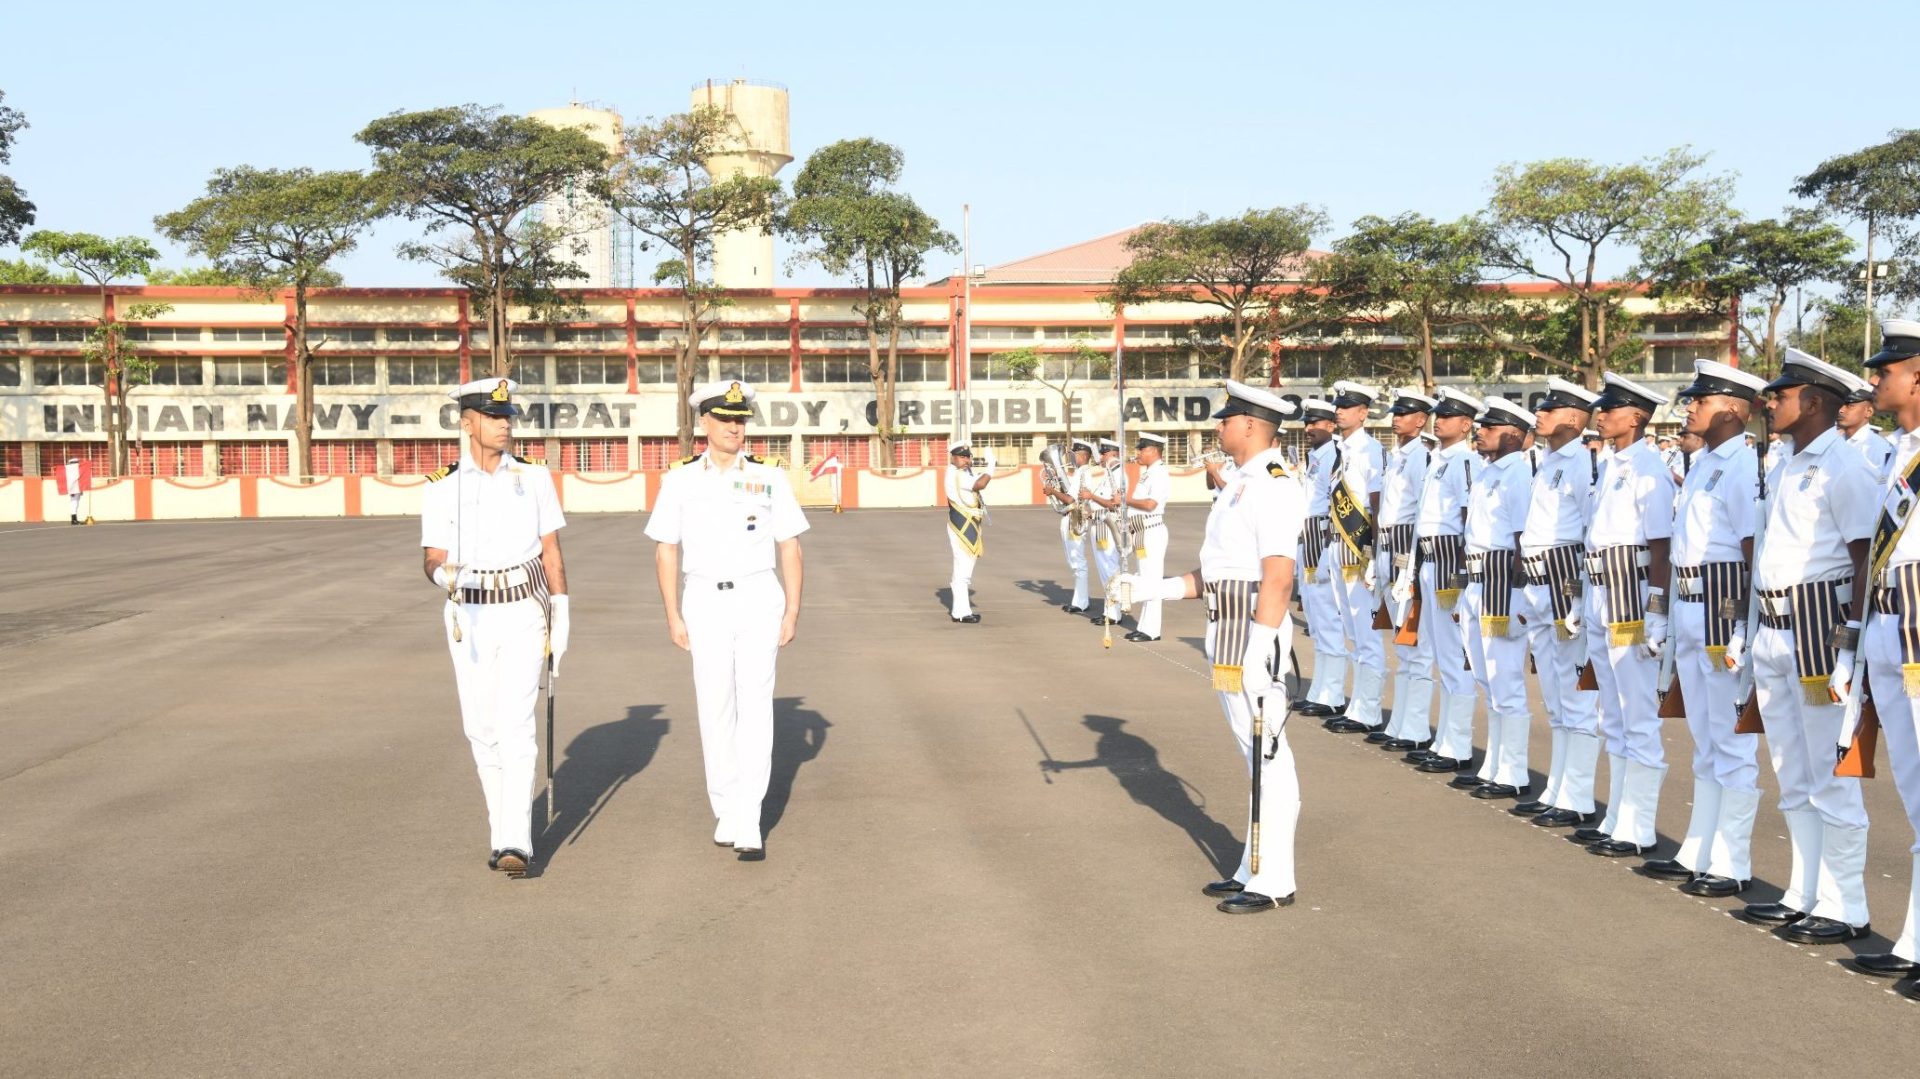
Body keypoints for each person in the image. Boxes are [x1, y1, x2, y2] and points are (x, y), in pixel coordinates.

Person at [1110, 380, 1307, 913]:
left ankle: (1274, 880)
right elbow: (1218, 571)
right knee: (1251, 750)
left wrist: (1264, 643)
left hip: (1252, 625)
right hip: (1228, 620)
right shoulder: (1241, 482)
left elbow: (1278, 575)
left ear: (1249, 425)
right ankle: (1253, 866)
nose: (1218, 427)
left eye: (1225, 420)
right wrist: (1153, 588)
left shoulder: (1272, 482)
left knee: (1268, 754)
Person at [1731, 350, 1876, 943]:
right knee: (1792, 767)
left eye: (1781, 394)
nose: (1770, 403)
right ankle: (1804, 891)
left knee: (1830, 771)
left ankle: (1846, 905)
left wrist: (1851, 648)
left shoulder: (1844, 465)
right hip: (1772, 626)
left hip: (1819, 626)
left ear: (1814, 401)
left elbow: (1866, 556)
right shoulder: (1785, 462)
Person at [645, 379, 808, 860]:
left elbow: (790, 547)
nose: (736, 427)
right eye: (727, 419)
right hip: (704, 600)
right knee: (714, 706)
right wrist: (672, 613)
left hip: (758, 596)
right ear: (705, 424)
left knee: (756, 704)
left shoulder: (770, 476)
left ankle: (751, 816)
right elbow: (665, 550)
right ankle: (728, 807)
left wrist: (793, 609)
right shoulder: (679, 480)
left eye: (741, 419)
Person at [419, 377, 570, 878]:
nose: (505, 425)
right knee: (481, 729)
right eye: (493, 417)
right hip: (469, 617)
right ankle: (499, 828)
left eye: (508, 417)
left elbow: (551, 549)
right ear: (467, 423)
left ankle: (516, 842)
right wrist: (444, 575)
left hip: (525, 608)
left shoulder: (534, 478)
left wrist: (562, 607)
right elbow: (432, 557)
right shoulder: (443, 486)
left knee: (516, 724)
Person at [1637, 360, 1767, 895]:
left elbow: (1750, 552)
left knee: (1731, 741)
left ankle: (1731, 861)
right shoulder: (1705, 462)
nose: (1690, 406)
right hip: (1692, 603)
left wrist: (1743, 626)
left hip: (1720, 602)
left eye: (1702, 399)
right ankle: (1699, 849)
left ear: (1733, 409)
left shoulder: (1742, 465)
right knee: (1706, 740)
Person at [1572, 373, 1676, 859]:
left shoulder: (1648, 467)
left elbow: (1660, 546)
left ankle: (1640, 826)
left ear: (1635, 416)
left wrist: (1657, 611)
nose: (1602, 415)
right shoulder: (1611, 464)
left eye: (1611, 408)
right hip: (1600, 590)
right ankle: (1617, 815)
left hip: (1632, 595)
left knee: (1638, 713)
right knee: (1610, 712)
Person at [1856, 318, 1920, 998]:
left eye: (1886, 369)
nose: (1875, 379)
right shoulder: (1893, 450)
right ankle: (1915, 940)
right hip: (1887, 620)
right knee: (1913, 788)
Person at [1513, 378, 1601, 818]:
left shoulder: (1582, 463)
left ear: (1572, 417)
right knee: (1554, 695)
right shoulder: (1547, 462)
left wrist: (1579, 598)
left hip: (1564, 580)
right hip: (1537, 581)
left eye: (1550, 407)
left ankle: (1579, 796)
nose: (1540, 413)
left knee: (1575, 694)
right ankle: (1559, 789)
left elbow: (1588, 533)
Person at [1453, 397, 1535, 796]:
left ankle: (1514, 771)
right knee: (1486, 677)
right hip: (1477, 580)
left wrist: (1519, 594)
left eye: (1489, 427)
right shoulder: (1486, 472)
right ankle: (1495, 765)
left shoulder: (1517, 474)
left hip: (1503, 582)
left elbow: (1522, 539)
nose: (1479, 432)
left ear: (1513, 435)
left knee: (1506, 679)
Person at [1407, 389, 1482, 772]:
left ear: (1466, 425)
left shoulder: (1465, 461)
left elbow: (1470, 517)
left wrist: (1465, 574)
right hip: (1430, 559)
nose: (1440, 421)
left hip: (1452, 560)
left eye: (1449, 417)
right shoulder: (1437, 459)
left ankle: (1458, 745)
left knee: (1454, 656)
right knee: (1439, 654)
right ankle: (1444, 741)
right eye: (1438, 415)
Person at [1323, 381, 1387, 735]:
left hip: (1358, 548)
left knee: (1366, 632)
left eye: (1347, 407)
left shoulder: (1370, 450)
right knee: (1351, 631)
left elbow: (1376, 505)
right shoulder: (1341, 451)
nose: (1339, 410)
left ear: (1363, 414)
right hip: (1337, 547)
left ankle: (1369, 710)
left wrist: (1374, 554)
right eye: (1338, 405)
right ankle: (1358, 704)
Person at [1370, 391, 1432, 749]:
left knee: (1415, 645)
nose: (1396, 418)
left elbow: (1421, 513)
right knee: (1402, 644)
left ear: (1421, 420)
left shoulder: (1421, 456)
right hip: (1389, 548)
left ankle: (1416, 728)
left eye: (1405, 413)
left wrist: (1413, 566)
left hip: (1409, 549)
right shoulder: (1396, 456)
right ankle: (1401, 724)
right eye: (1395, 413)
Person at [1293, 399, 1349, 718]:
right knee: (1315, 620)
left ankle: (1333, 693)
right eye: (1306, 423)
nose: (1308, 429)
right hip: (1308, 537)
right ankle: (1320, 689)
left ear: (1330, 425)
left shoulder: (1337, 455)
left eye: (1314, 423)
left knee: (1328, 620)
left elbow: (1336, 504)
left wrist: (1329, 550)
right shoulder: (1314, 455)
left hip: (1324, 538)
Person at [1123, 433, 1172, 642]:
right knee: (1145, 578)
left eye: (1141, 449)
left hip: (1152, 530)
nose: (1138, 454)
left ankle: (1152, 630)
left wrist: (1125, 500)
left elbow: (1151, 504)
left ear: (1153, 450)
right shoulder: (1148, 473)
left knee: (1152, 580)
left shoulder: (1159, 473)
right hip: (1142, 530)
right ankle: (1144, 625)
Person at [1042, 439, 1096, 614]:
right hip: (1071, 517)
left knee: (1077, 562)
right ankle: (1080, 600)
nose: (1070, 457)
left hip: (1075, 519)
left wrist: (1053, 492)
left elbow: (1070, 499)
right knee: (1074, 562)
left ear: (1082, 455)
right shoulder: (1079, 473)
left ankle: (1081, 602)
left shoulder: (1083, 473)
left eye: (1073, 454)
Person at [1081, 438, 1130, 627]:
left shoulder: (1118, 475)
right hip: (1099, 523)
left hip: (1107, 526)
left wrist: (1090, 496)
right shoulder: (1108, 474)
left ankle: (1113, 613)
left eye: (1103, 453)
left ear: (1112, 453)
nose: (1100, 457)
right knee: (1104, 571)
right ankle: (1109, 610)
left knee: (1109, 570)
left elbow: (1113, 503)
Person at [944, 443, 991, 623]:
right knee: (964, 570)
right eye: (962, 457)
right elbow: (981, 484)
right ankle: (962, 613)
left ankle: (959, 611)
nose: (966, 461)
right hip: (962, 526)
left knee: (961, 570)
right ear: (953, 457)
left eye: (968, 457)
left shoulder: (958, 472)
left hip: (963, 523)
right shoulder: (957, 474)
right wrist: (991, 467)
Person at [1838, 385, 1894, 483]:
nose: (1841, 410)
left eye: (1850, 406)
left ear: (1868, 412)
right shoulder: (1835, 440)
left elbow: (1883, 485)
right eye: (1841, 404)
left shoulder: (1879, 448)